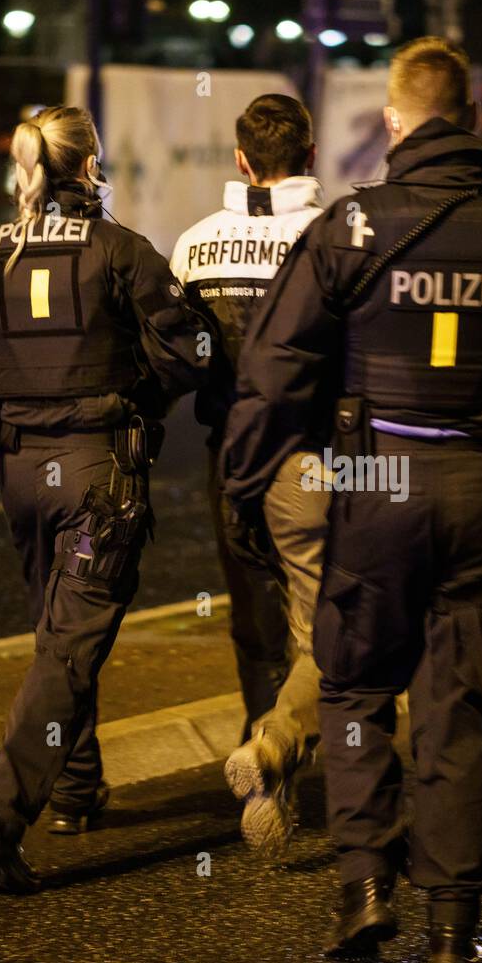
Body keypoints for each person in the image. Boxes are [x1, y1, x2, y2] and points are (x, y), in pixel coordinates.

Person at [222, 37, 482, 963]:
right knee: (465, 706)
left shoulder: (351, 227)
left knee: (357, 687)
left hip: (378, 486)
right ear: (473, 119)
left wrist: (246, 486)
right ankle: (450, 930)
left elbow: (273, 374)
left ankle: (366, 883)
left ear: (395, 121)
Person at [0, 105, 209, 893]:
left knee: (58, 639)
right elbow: (192, 354)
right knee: (68, 648)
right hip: (100, 476)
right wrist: (145, 401)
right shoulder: (123, 252)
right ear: (88, 166)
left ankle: (77, 790)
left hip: (19, 476)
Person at [169, 95, 330, 854]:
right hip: (312, 455)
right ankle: (282, 758)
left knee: (254, 627)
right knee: (327, 625)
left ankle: (272, 785)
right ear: (311, 153)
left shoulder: (194, 245)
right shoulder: (331, 236)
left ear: (240, 161)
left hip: (226, 457)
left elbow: (176, 355)